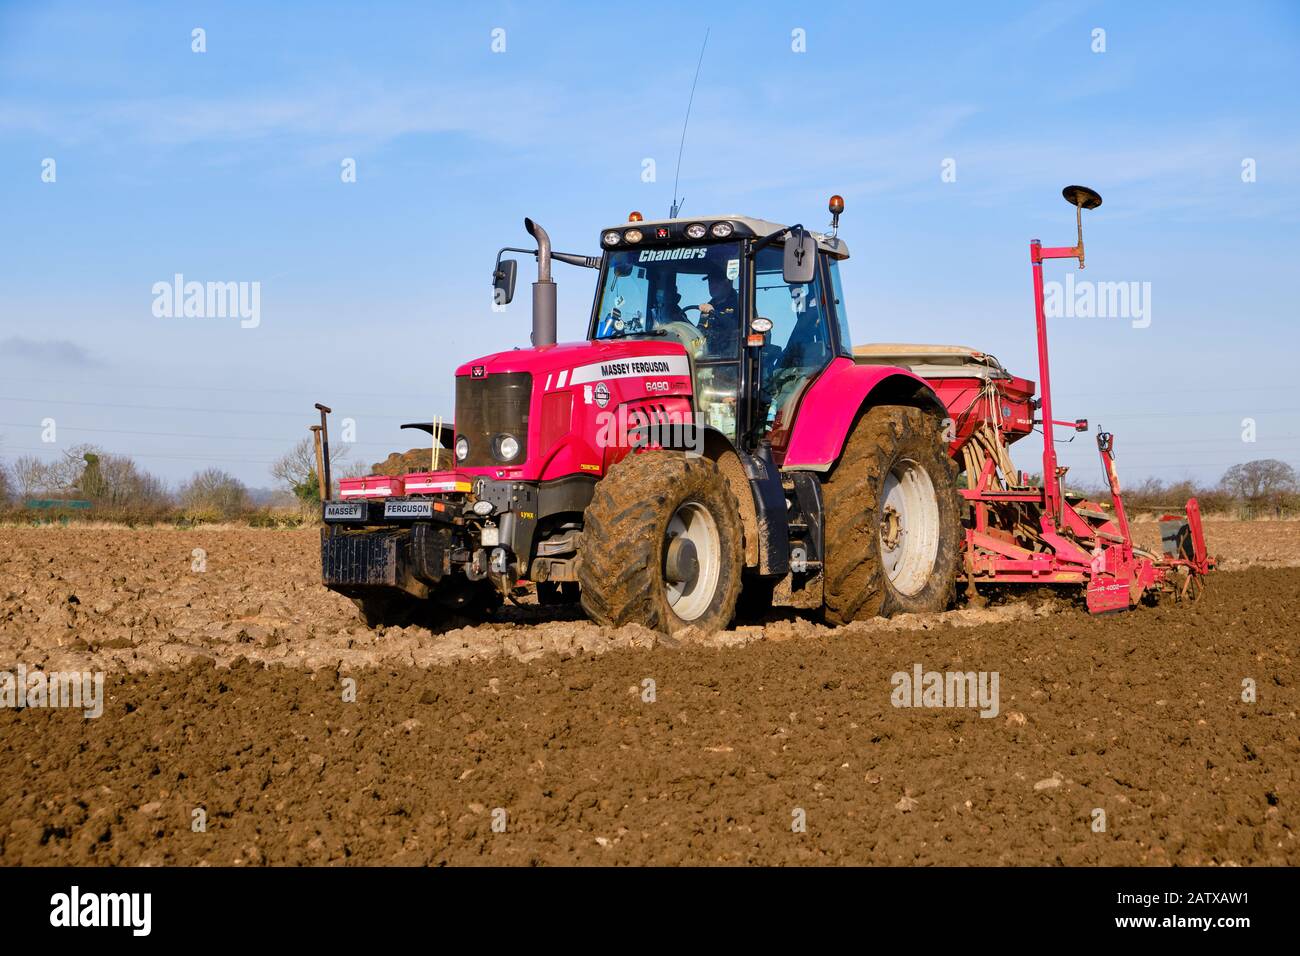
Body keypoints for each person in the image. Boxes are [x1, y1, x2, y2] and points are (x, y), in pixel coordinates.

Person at [696, 267, 739, 357]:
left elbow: (737, 329)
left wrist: (715, 313)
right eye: (710, 282)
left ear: (728, 282)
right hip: (709, 358)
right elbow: (701, 333)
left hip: (732, 360)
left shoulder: (742, 303)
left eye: (716, 281)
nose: (712, 285)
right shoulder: (707, 308)